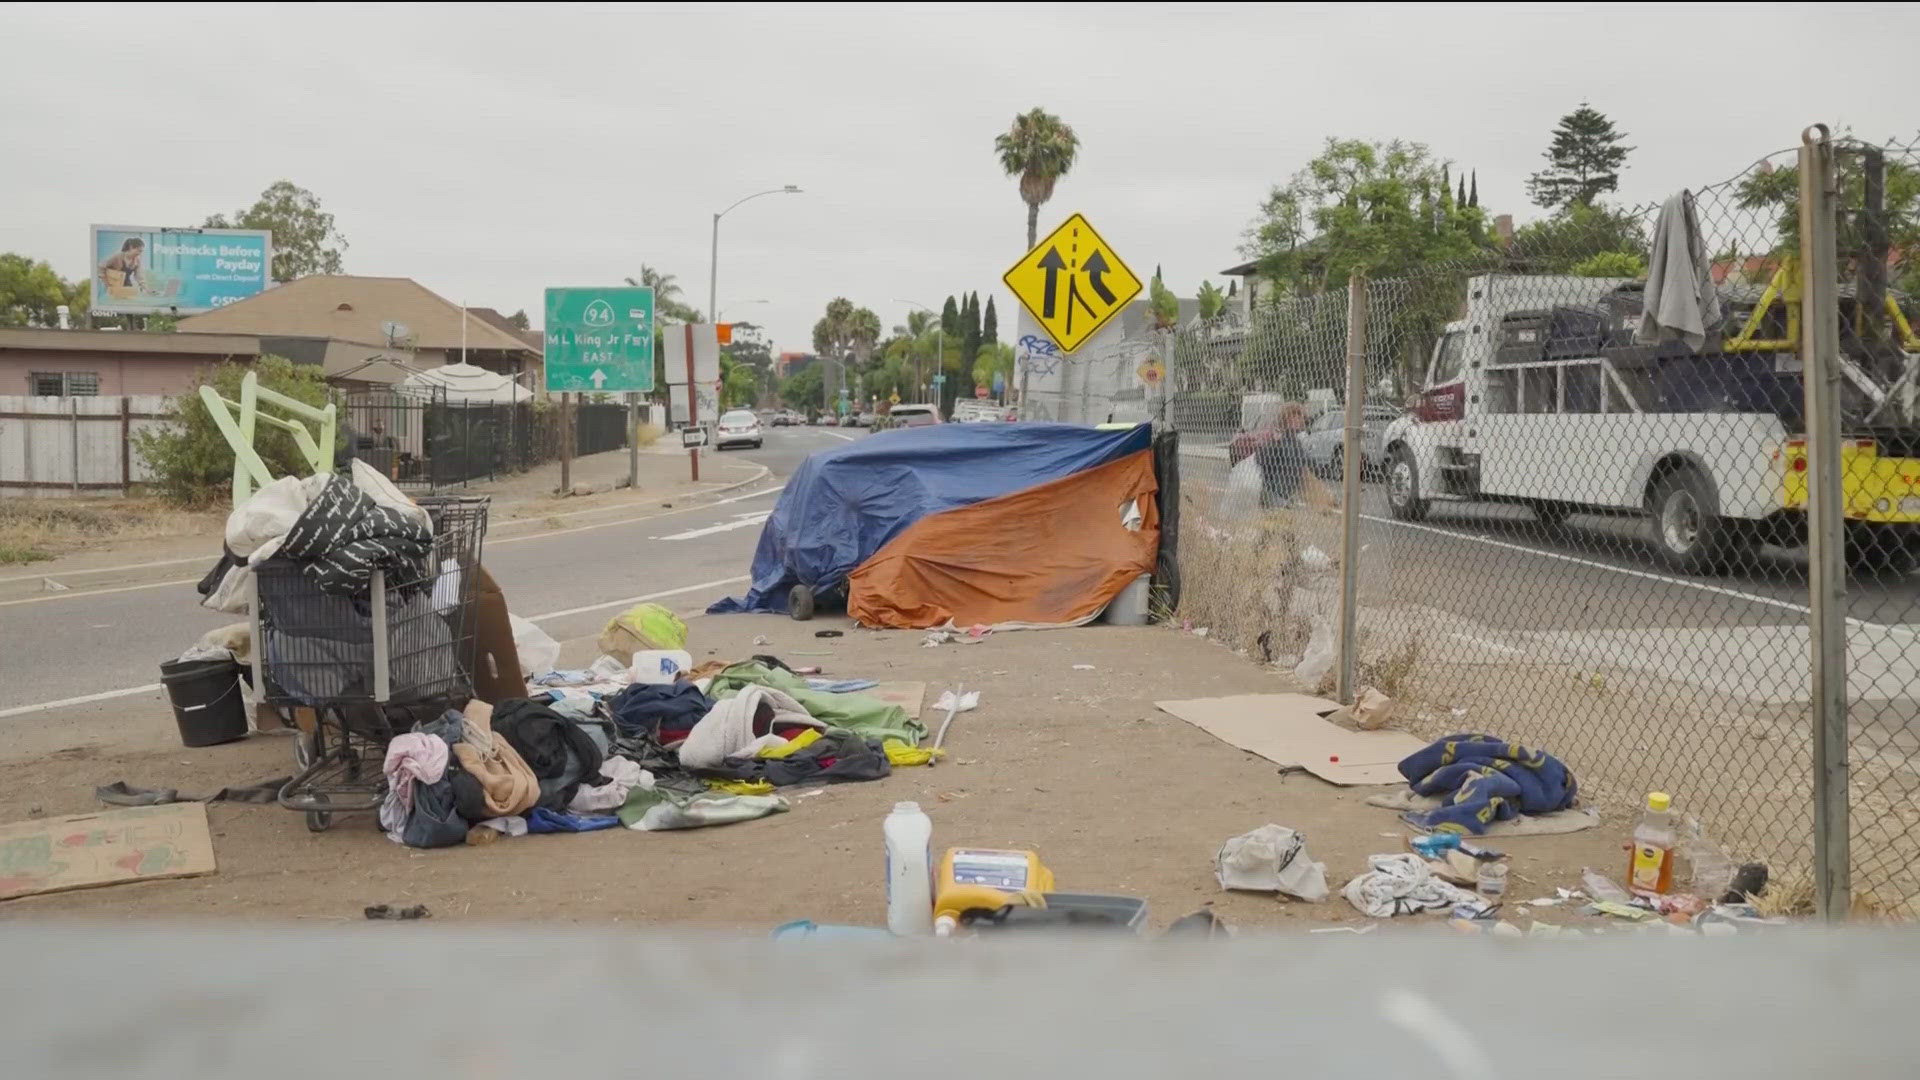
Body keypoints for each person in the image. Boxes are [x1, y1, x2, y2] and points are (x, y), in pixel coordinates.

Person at [1254, 401, 1311, 508]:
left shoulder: (1295, 441)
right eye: (1298, 417)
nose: (1302, 420)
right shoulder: (1281, 441)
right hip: (1276, 495)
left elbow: (1306, 464)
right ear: (1289, 419)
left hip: (1285, 494)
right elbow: (1261, 461)